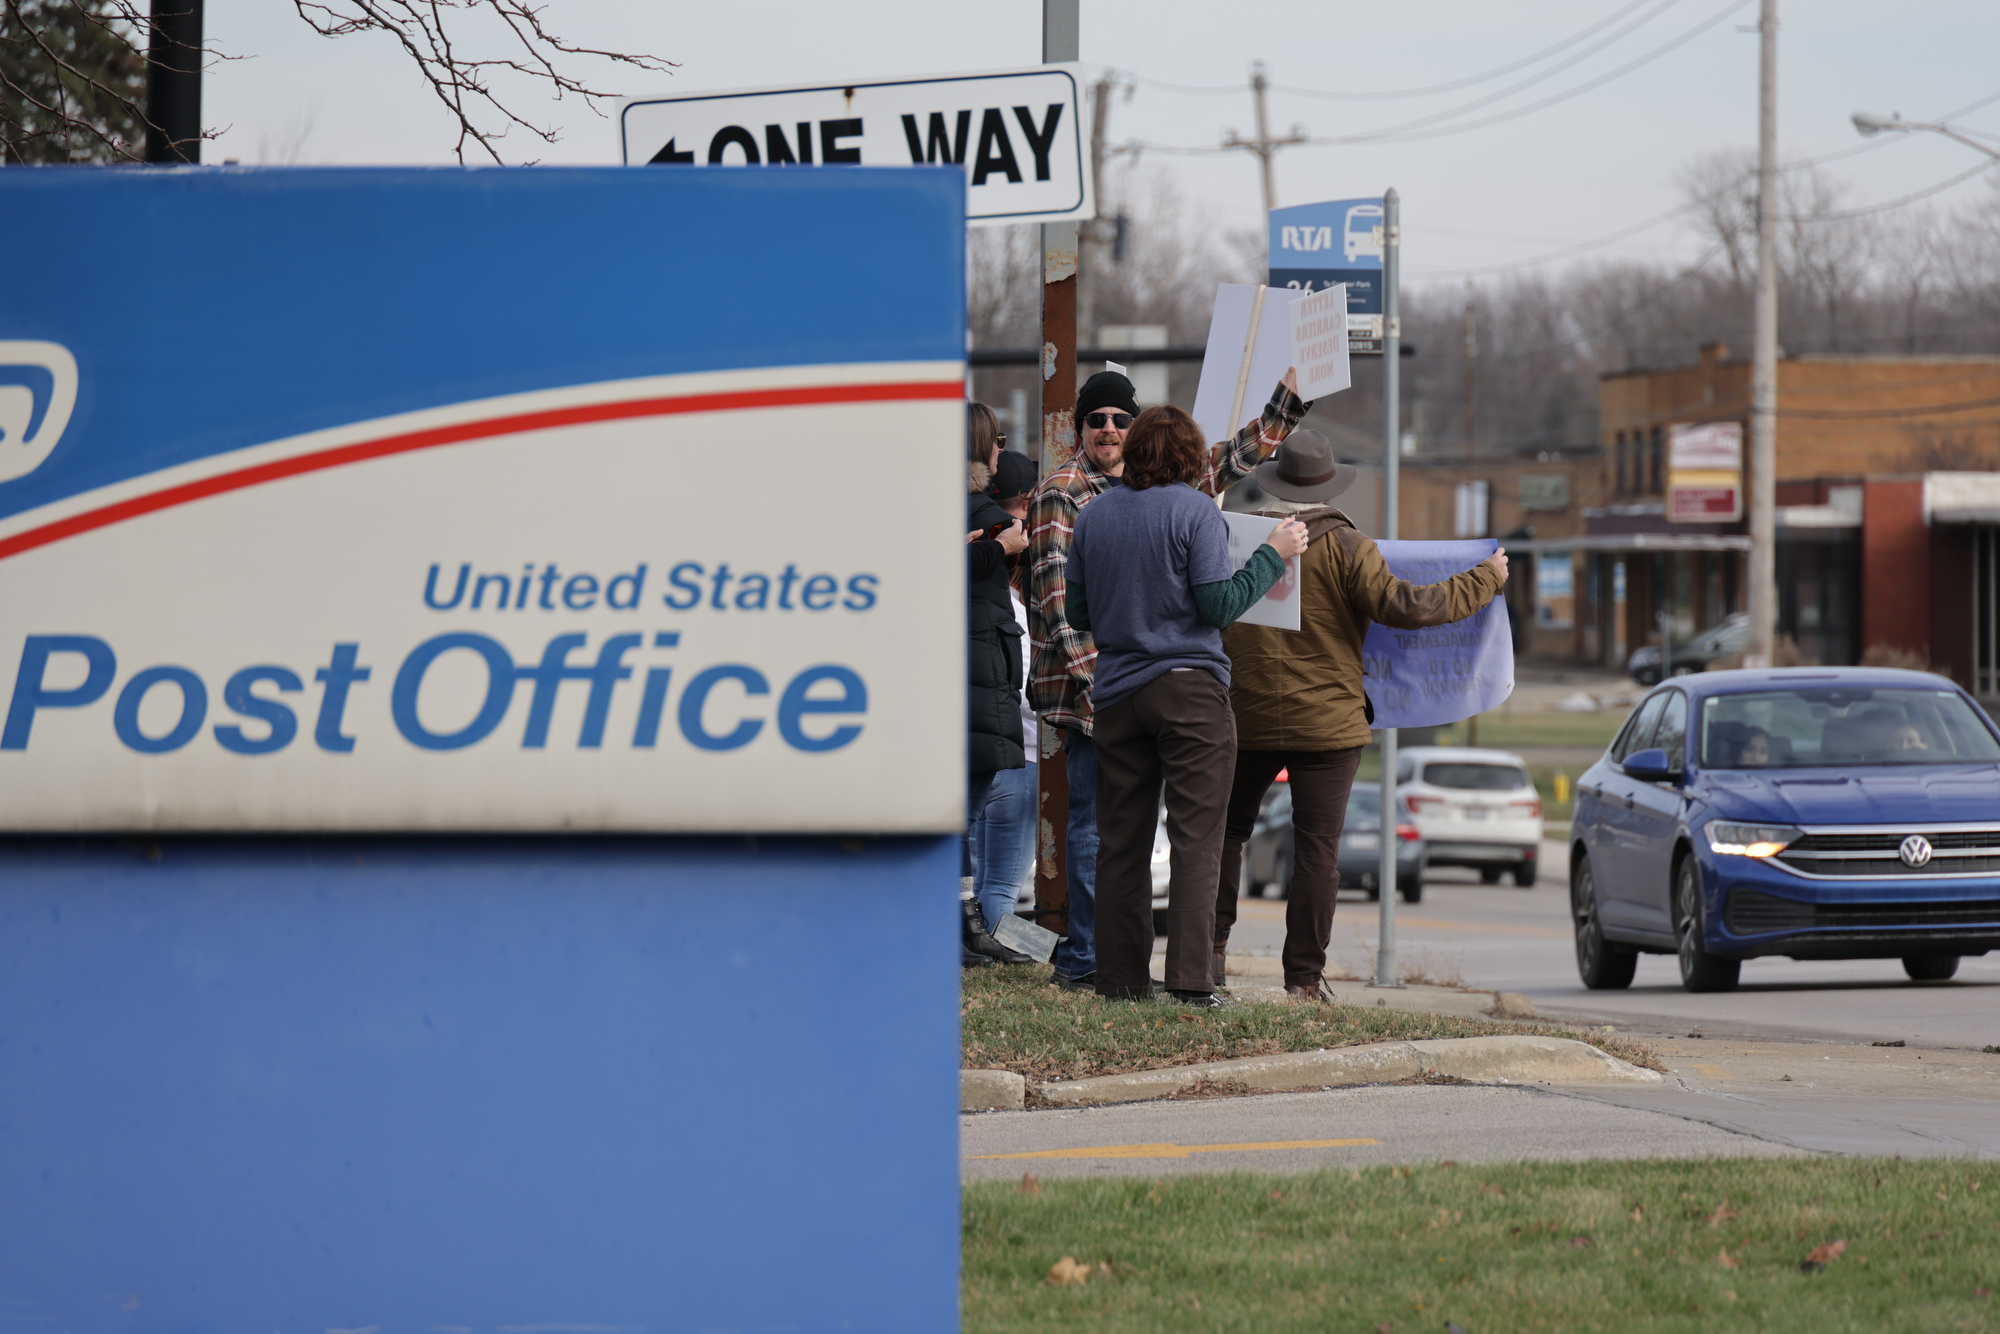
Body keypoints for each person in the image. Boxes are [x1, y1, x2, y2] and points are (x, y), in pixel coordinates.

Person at [1026, 367, 1310, 991]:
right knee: (1196, 838)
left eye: (1120, 421)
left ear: (1135, 442)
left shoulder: (1096, 516)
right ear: (1188, 458)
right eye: (1097, 419)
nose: (1108, 430)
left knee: (1118, 842)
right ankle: (1188, 982)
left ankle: (1118, 979)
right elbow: (1218, 606)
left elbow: (1073, 611)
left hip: (1117, 695)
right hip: (1185, 692)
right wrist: (1273, 555)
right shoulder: (1195, 511)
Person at [1212, 428, 1509, 1001]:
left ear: (1275, 483)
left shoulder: (1239, 540)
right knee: (1317, 852)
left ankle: (1210, 958)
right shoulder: (1349, 547)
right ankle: (1301, 981)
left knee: (1225, 838)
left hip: (1243, 720)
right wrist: (1485, 579)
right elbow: (1409, 607)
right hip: (1328, 728)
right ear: (1327, 488)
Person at [962, 402, 1032, 967]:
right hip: (982, 701)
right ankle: (967, 932)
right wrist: (999, 548)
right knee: (960, 817)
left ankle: (967, 927)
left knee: (959, 818)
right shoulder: (987, 521)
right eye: (998, 438)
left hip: (980, 702)